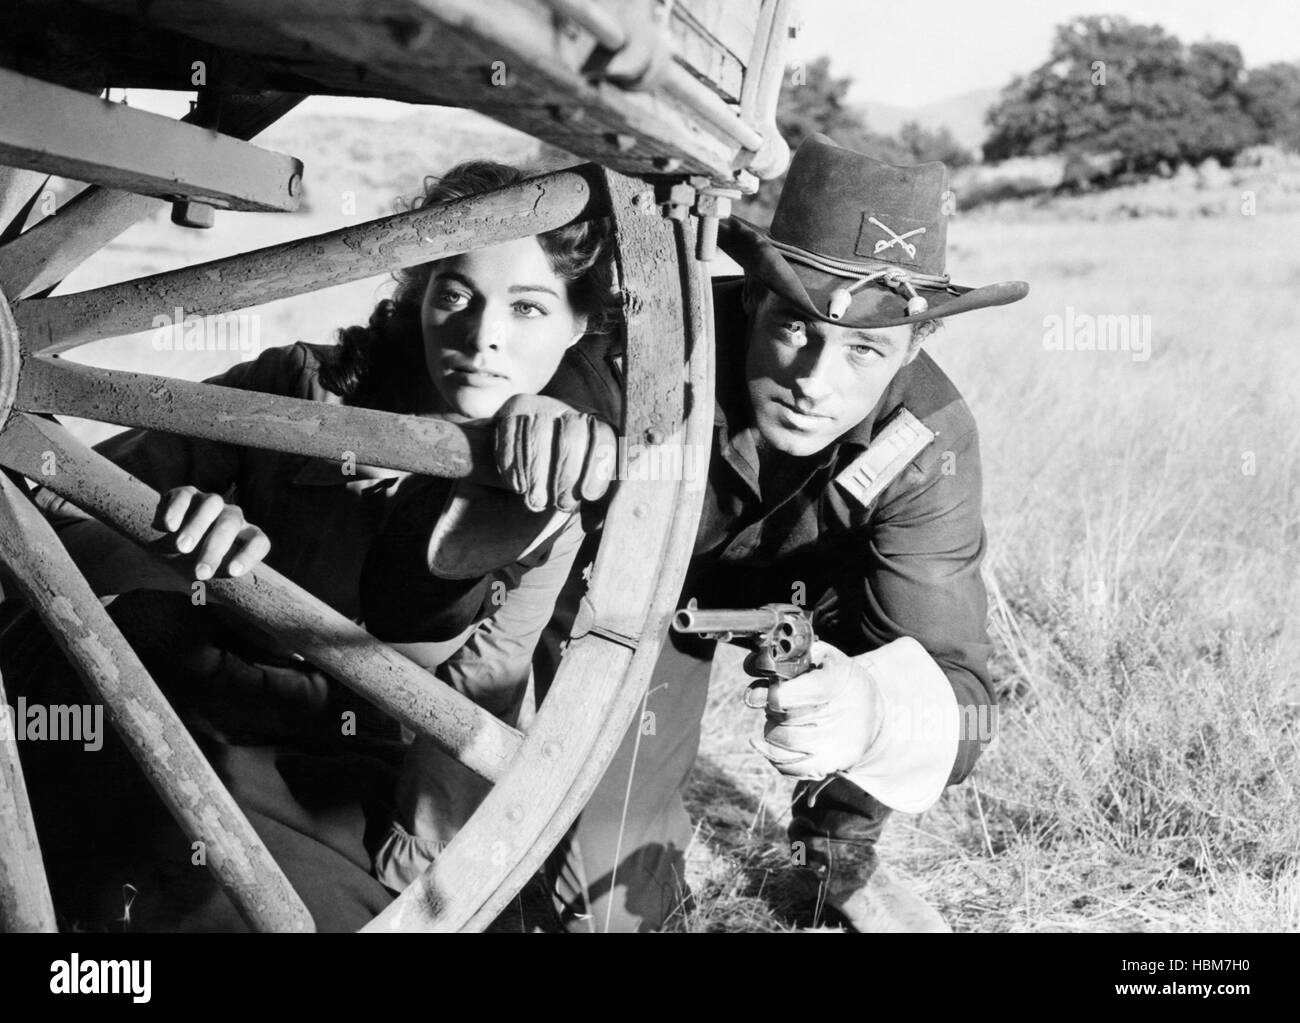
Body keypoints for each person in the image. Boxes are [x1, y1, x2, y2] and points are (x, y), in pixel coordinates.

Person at [1, 159, 621, 932]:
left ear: (576, 325)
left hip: (332, 777)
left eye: (528, 309)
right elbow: (47, 505)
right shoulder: (298, 390)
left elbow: (475, 703)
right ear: (419, 295)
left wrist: (412, 882)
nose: (483, 336)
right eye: (454, 295)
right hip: (185, 698)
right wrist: (164, 537)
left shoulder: (544, 502)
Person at [533, 133, 1030, 932]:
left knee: (893, 676)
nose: (813, 384)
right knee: (610, 908)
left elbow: (961, 697)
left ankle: (839, 849)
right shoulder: (652, 349)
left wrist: (866, 709)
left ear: (914, 345)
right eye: (797, 328)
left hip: (821, 610)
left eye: (865, 349)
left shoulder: (929, 440)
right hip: (636, 599)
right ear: (753, 296)